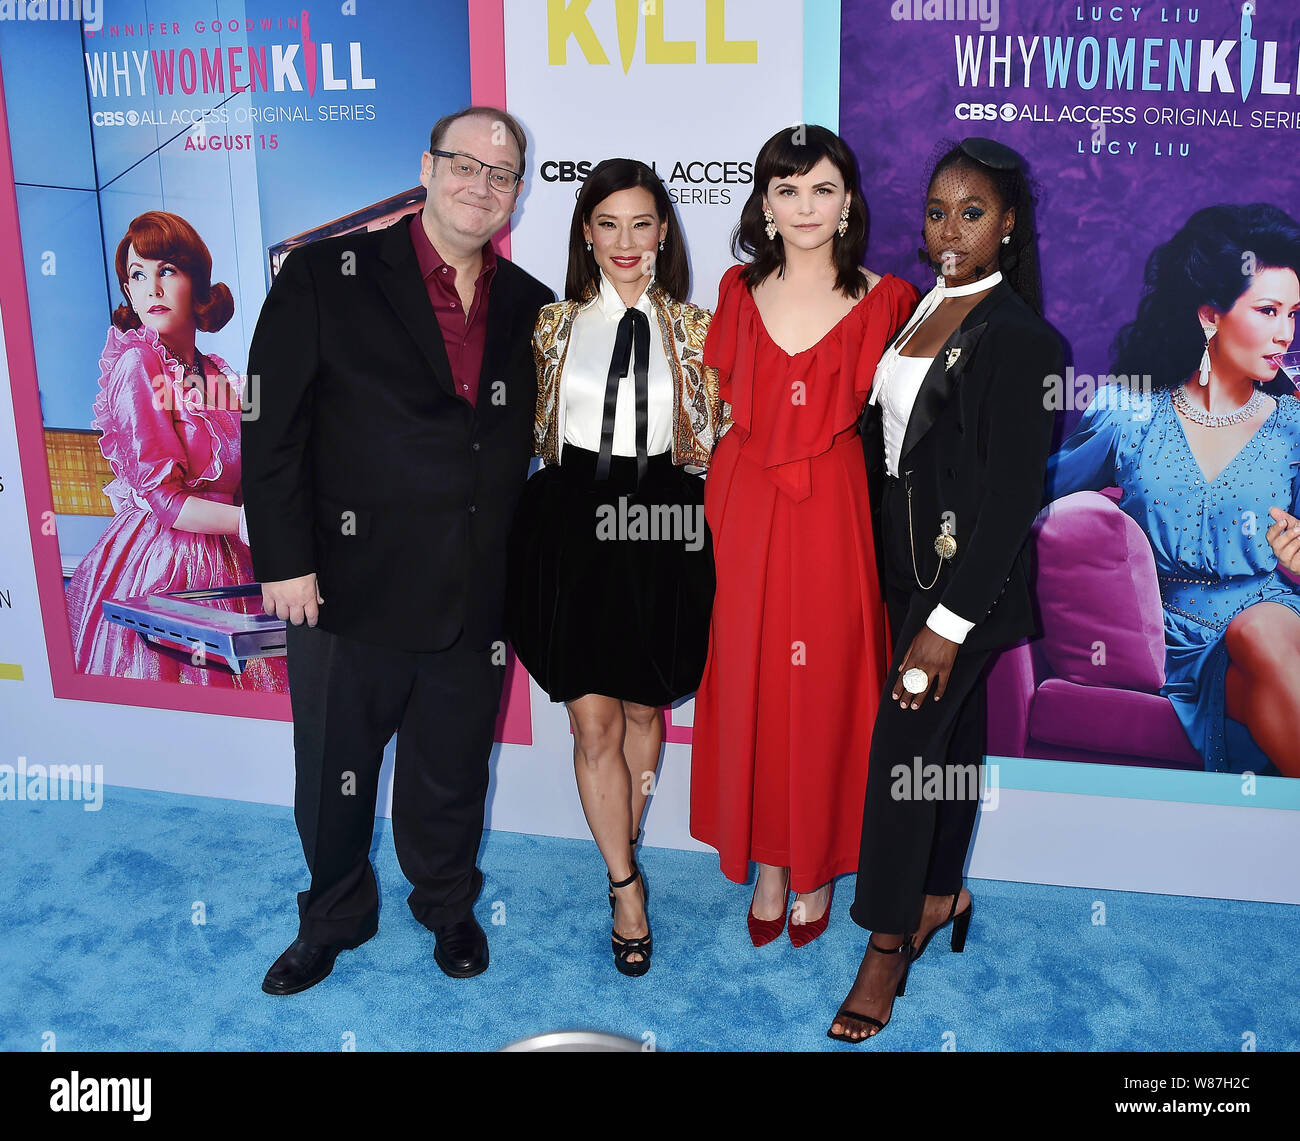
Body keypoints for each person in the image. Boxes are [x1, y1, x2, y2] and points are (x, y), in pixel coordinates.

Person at [243, 106, 553, 994]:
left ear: (515, 195)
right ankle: (334, 914)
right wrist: (284, 558)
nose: (480, 186)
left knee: (450, 767)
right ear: (426, 167)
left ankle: (446, 902)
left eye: (501, 175)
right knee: (337, 771)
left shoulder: (531, 305)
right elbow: (270, 428)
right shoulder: (324, 275)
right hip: (343, 582)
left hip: (472, 587)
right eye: (465, 164)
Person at [828, 138, 1062, 1042]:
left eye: (972, 213)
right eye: (936, 211)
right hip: (899, 572)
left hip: (962, 590)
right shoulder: (919, 308)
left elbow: (1010, 499)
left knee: (902, 758)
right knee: (953, 743)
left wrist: (946, 626)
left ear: (1008, 226)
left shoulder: (1025, 339)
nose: (949, 229)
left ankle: (886, 944)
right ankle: (937, 895)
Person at [690, 125, 918, 950]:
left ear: (848, 200)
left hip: (834, 508)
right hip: (746, 505)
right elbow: (717, 411)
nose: (805, 206)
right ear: (765, 205)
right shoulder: (733, 287)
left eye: (822, 188)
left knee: (822, 685)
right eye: (787, 190)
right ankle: (771, 860)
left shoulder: (890, 299)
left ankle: (816, 859)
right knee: (754, 676)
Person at [506, 158, 726, 976]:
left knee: (643, 713)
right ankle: (624, 881)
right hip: (572, 524)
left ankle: (621, 837)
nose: (626, 241)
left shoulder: (701, 329)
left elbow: (723, 441)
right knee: (591, 718)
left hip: (664, 524)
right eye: (609, 224)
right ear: (587, 236)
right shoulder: (550, 325)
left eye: (642, 224)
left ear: (664, 232)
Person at [1046, 203, 1300, 778]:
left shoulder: (1293, 423)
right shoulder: (1130, 411)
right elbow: (1038, 504)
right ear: (1210, 317)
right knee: (1265, 690)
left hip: (1277, 621)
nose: (1286, 333)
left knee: (1258, 629)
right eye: (1267, 310)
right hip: (1174, 642)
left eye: (1294, 313)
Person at [64, 211, 288, 692]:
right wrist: (248, 522)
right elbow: (164, 500)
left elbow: (249, 472)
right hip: (166, 561)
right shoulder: (137, 365)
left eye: (167, 270)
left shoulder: (219, 372)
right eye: (137, 276)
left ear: (196, 281)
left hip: (238, 556)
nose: (151, 289)